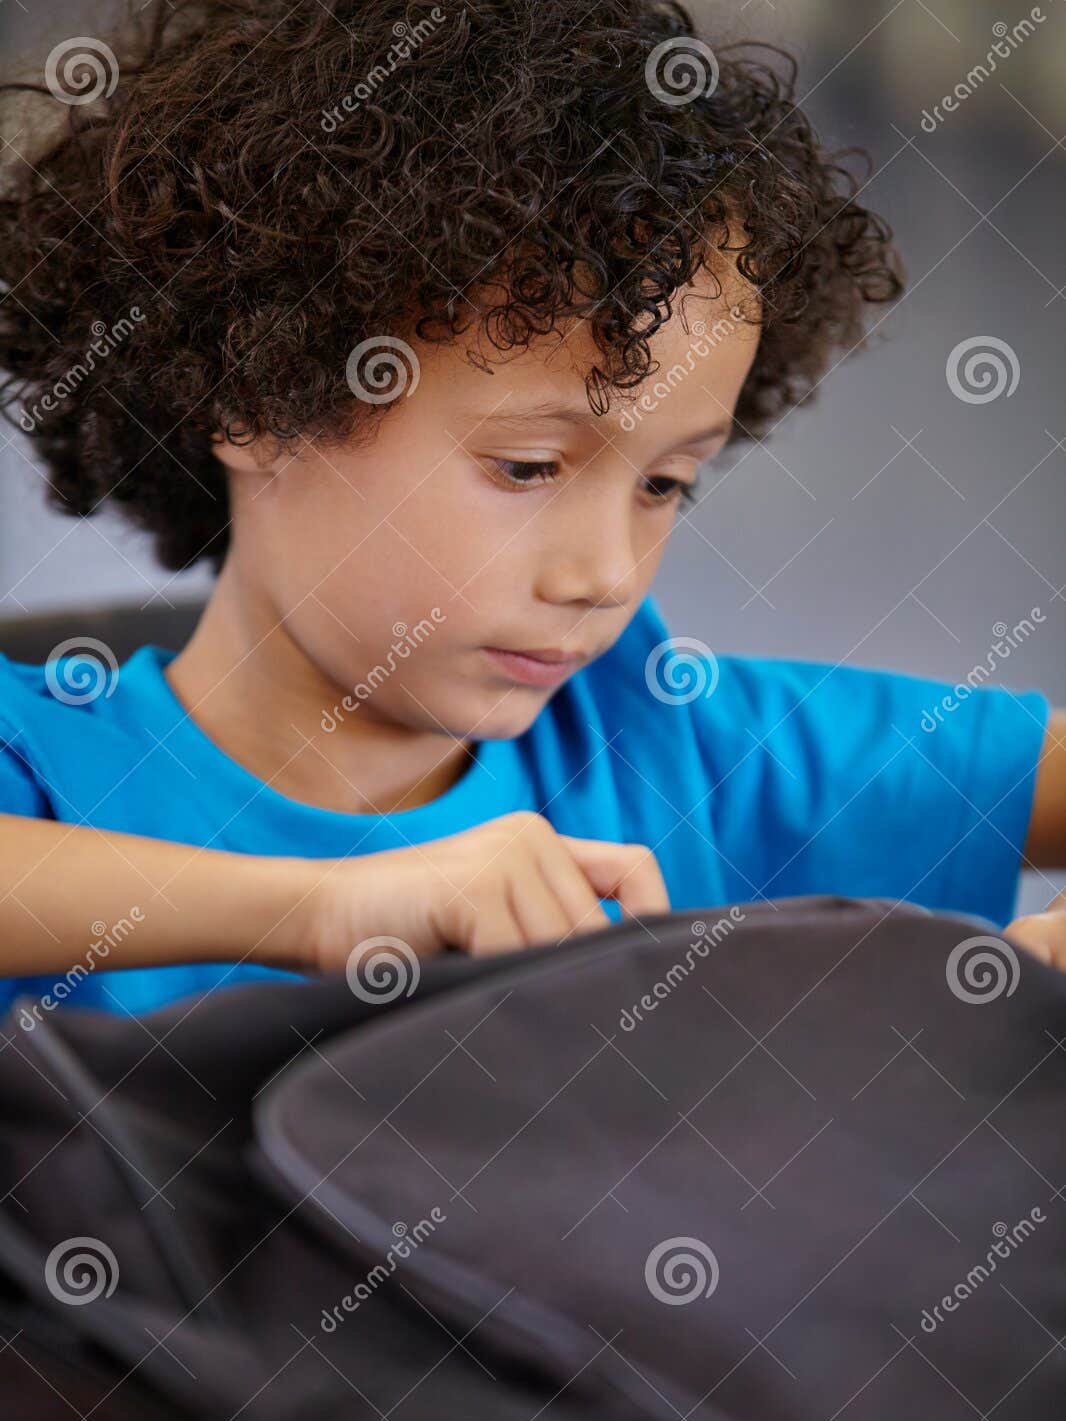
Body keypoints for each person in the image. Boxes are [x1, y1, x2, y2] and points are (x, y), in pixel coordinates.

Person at [0, 0, 1063, 1020]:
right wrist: (320, 908)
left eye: (663, 485)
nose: (602, 573)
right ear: (260, 398)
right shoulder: (43, 764)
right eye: (526, 466)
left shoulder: (679, 748)